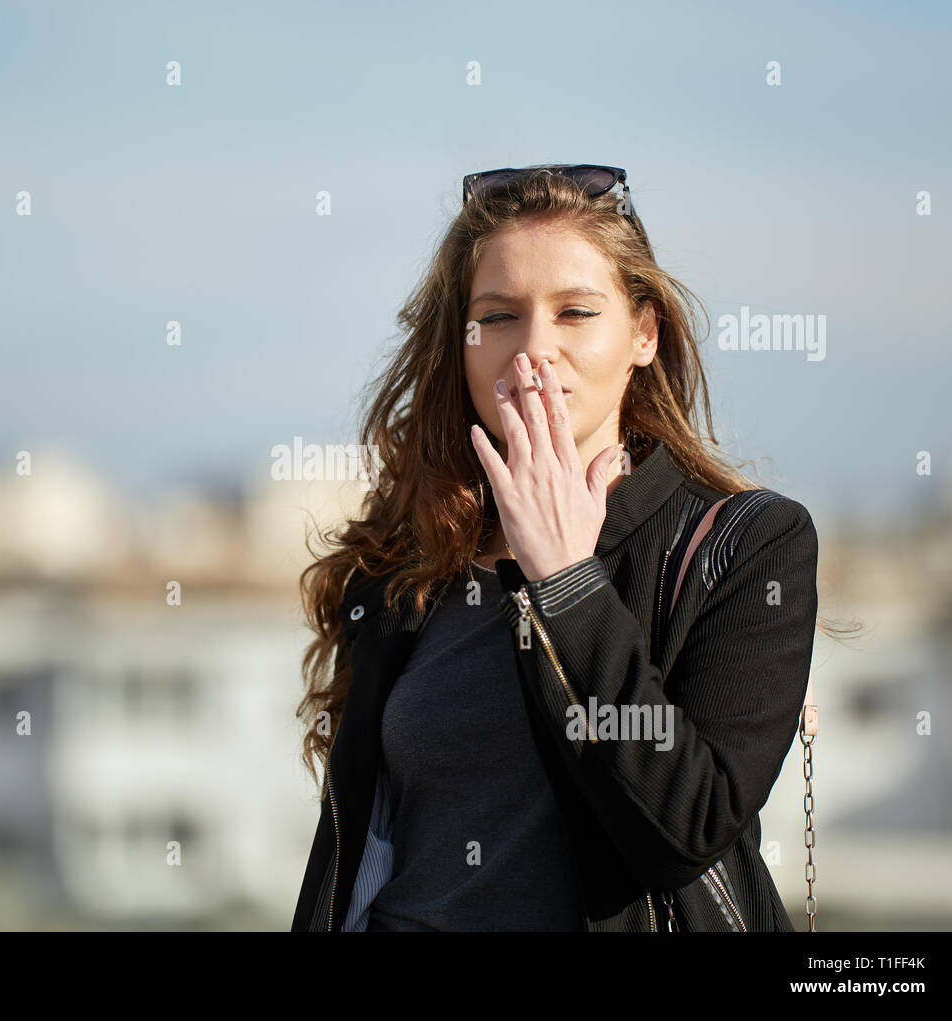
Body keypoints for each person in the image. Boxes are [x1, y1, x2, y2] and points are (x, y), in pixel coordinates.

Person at [290, 164, 842, 933]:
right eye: (499, 315)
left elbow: (684, 830)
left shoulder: (748, 543)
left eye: (576, 312)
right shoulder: (407, 558)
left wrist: (567, 583)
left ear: (643, 334)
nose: (534, 351)